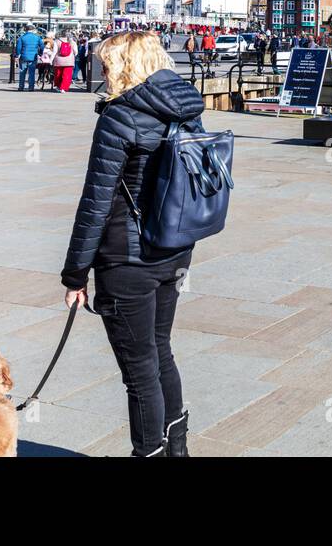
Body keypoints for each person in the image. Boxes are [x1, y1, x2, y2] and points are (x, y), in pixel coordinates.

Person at [61, 31, 205, 457]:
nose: (101, 71)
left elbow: (96, 202)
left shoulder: (119, 116)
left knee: (139, 370)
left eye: (107, 63)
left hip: (127, 258)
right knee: (160, 350)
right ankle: (176, 449)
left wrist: (74, 274)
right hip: (175, 249)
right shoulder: (186, 109)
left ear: (123, 65)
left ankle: (149, 453)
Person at [15, 25, 42, 91]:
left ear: (25, 30)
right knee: (31, 73)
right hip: (33, 57)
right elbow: (42, 46)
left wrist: (17, 55)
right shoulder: (37, 37)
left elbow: (18, 48)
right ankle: (31, 87)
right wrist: (40, 53)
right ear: (33, 30)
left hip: (24, 57)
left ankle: (21, 87)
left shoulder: (22, 38)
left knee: (22, 72)